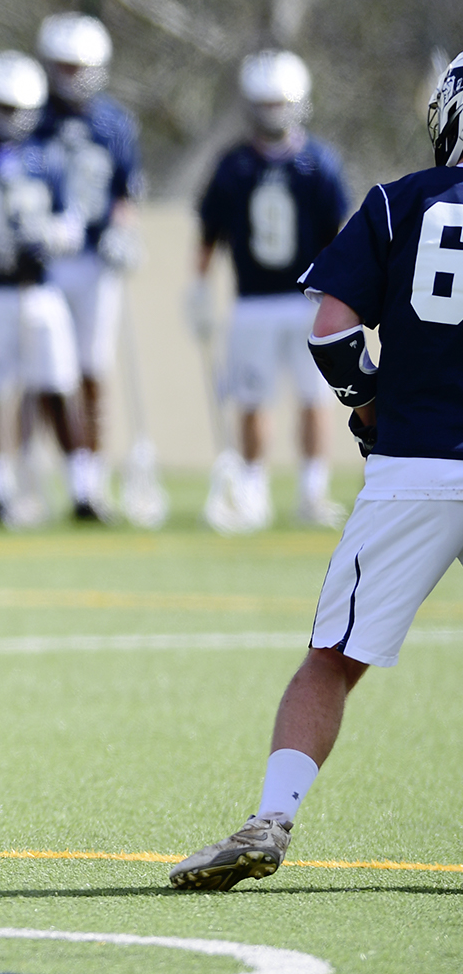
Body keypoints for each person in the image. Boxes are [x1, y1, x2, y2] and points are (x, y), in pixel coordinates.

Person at [170, 52, 463, 890]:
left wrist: (368, 409)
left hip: (413, 469)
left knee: (332, 657)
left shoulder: (397, 200)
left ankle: (274, 815)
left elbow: (333, 333)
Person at [192, 51, 350, 531]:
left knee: (313, 397)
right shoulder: (234, 166)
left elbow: (339, 236)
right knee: (253, 398)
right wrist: (198, 287)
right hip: (253, 300)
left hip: (308, 299)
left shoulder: (318, 163)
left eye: (280, 102)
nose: (272, 112)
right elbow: (208, 234)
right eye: (264, 103)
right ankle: (254, 490)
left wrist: (340, 294)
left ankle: (312, 490)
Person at [0, 51, 94, 525]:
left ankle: (83, 490)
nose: (12, 118)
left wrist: (51, 236)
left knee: (59, 387)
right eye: (4, 107)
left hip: (38, 289)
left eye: (19, 108)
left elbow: (71, 224)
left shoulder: (46, 160)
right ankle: (0, 491)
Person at [33, 13, 143, 510]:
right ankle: (48, 473)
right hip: (45, 264)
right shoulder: (34, 116)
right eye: (64, 66)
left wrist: (123, 230)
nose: (72, 76)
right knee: (49, 372)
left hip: (95, 259)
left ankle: (88, 479)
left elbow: (126, 193)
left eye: (80, 67)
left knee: (92, 368)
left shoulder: (113, 123)